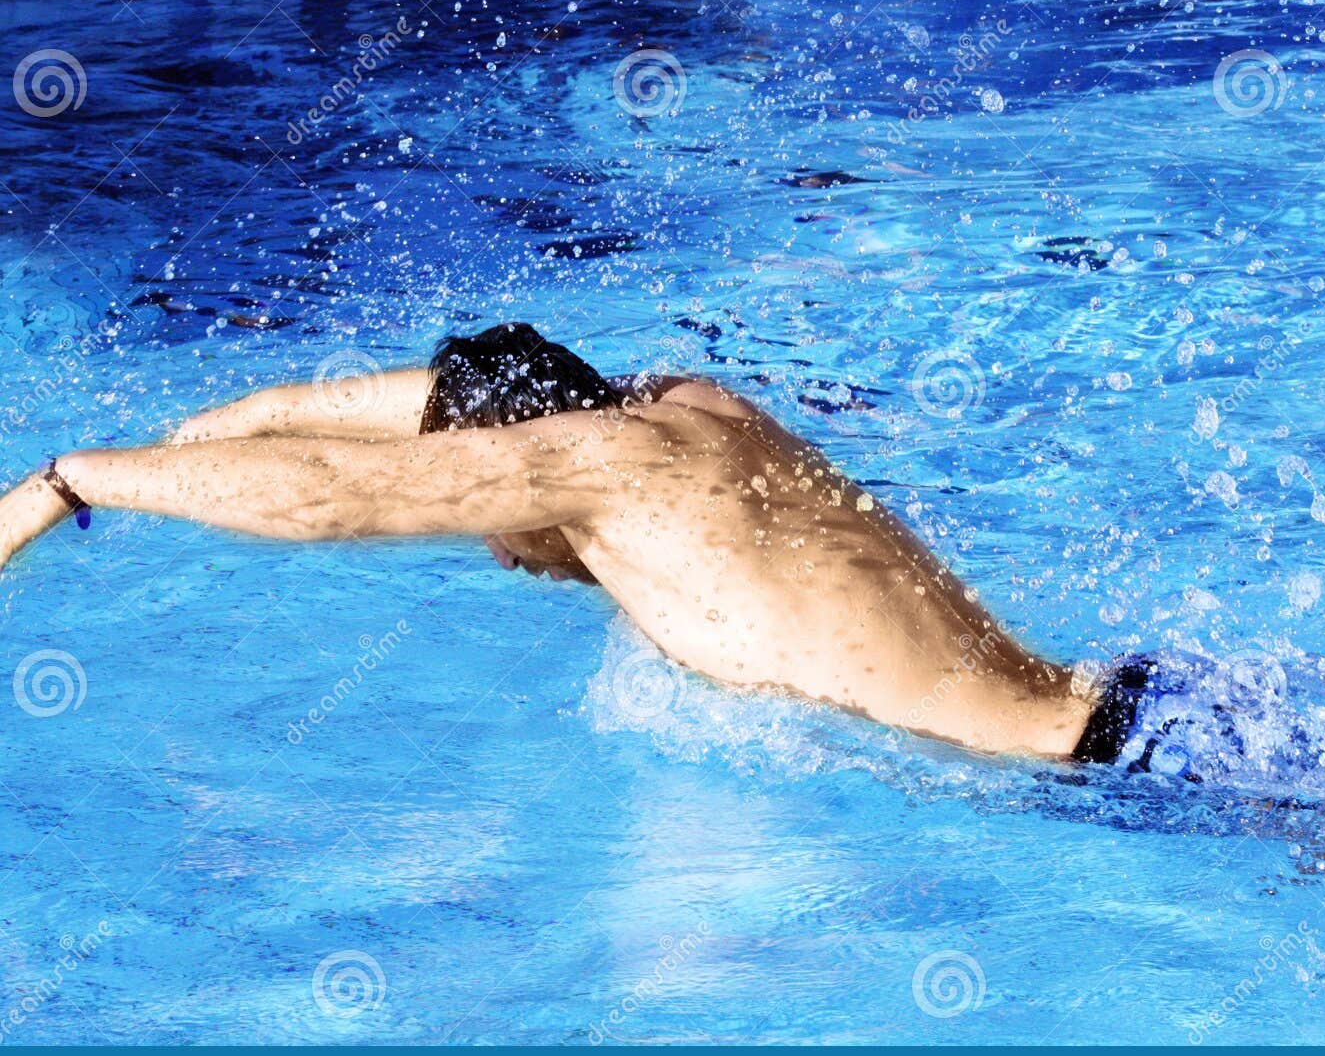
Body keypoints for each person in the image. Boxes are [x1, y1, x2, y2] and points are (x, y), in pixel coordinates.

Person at [0, 323, 1161, 763]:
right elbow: (467, 399)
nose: (501, 554)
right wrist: (247, 417)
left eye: (486, 513)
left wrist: (70, 480)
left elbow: (327, 498)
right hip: (1145, 706)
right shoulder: (684, 407)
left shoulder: (601, 467)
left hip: (1124, 786)